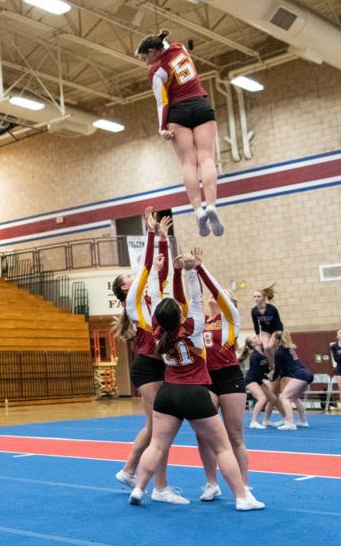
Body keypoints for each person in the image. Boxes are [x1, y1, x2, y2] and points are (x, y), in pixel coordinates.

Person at [128, 249, 263, 511]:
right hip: (195, 392)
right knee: (223, 447)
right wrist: (191, 270)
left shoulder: (157, 334)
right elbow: (195, 298)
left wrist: (158, 273)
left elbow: (157, 300)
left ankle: (139, 488)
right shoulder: (195, 327)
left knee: (157, 444)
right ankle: (242, 496)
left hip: (169, 393)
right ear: (180, 316)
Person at [111, 210, 188, 504]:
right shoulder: (134, 300)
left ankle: (132, 472)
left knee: (156, 427)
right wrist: (151, 233)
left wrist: (165, 241)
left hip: (157, 366)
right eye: (128, 277)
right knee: (161, 429)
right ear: (125, 288)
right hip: (148, 367)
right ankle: (158, 487)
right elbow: (147, 265)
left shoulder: (147, 296)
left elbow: (162, 271)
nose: (134, 275)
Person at [135, 31, 223, 237]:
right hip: (201, 105)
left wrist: (162, 127)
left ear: (151, 52)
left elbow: (161, 101)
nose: (146, 63)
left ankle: (198, 209)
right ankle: (211, 205)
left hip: (177, 112)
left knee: (188, 163)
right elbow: (166, 44)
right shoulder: (180, 48)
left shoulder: (156, 71)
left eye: (144, 58)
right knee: (207, 158)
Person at [196, 259, 249, 501]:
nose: (214, 295)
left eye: (222, 295)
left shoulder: (230, 319)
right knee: (204, 434)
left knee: (235, 435)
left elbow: (216, 289)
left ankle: (244, 484)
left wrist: (200, 267)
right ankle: (211, 483)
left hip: (230, 377)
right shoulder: (203, 321)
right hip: (207, 378)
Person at [271, 331, 313, 430]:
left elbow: (277, 370)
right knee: (295, 397)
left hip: (300, 374)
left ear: (277, 340)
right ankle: (303, 421)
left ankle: (290, 423)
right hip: (307, 373)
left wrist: (272, 379)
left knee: (283, 397)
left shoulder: (279, 352)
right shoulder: (289, 348)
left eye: (272, 338)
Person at [243, 337, 279, 429]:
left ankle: (266, 420)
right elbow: (256, 371)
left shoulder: (263, 353)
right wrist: (268, 377)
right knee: (262, 398)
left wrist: (270, 372)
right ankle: (253, 421)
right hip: (251, 380)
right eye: (254, 338)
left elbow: (265, 368)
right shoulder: (255, 355)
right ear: (252, 344)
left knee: (273, 399)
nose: (257, 338)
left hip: (259, 380)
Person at [250, 285, 283, 352]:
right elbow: (256, 325)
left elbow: (278, 322)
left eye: (258, 296)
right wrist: (258, 337)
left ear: (264, 298)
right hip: (265, 331)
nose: (256, 298)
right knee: (266, 348)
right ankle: (272, 363)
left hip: (275, 330)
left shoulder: (272, 309)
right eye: (255, 296)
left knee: (271, 347)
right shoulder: (254, 311)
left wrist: (279, 333)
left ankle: (277, 361)